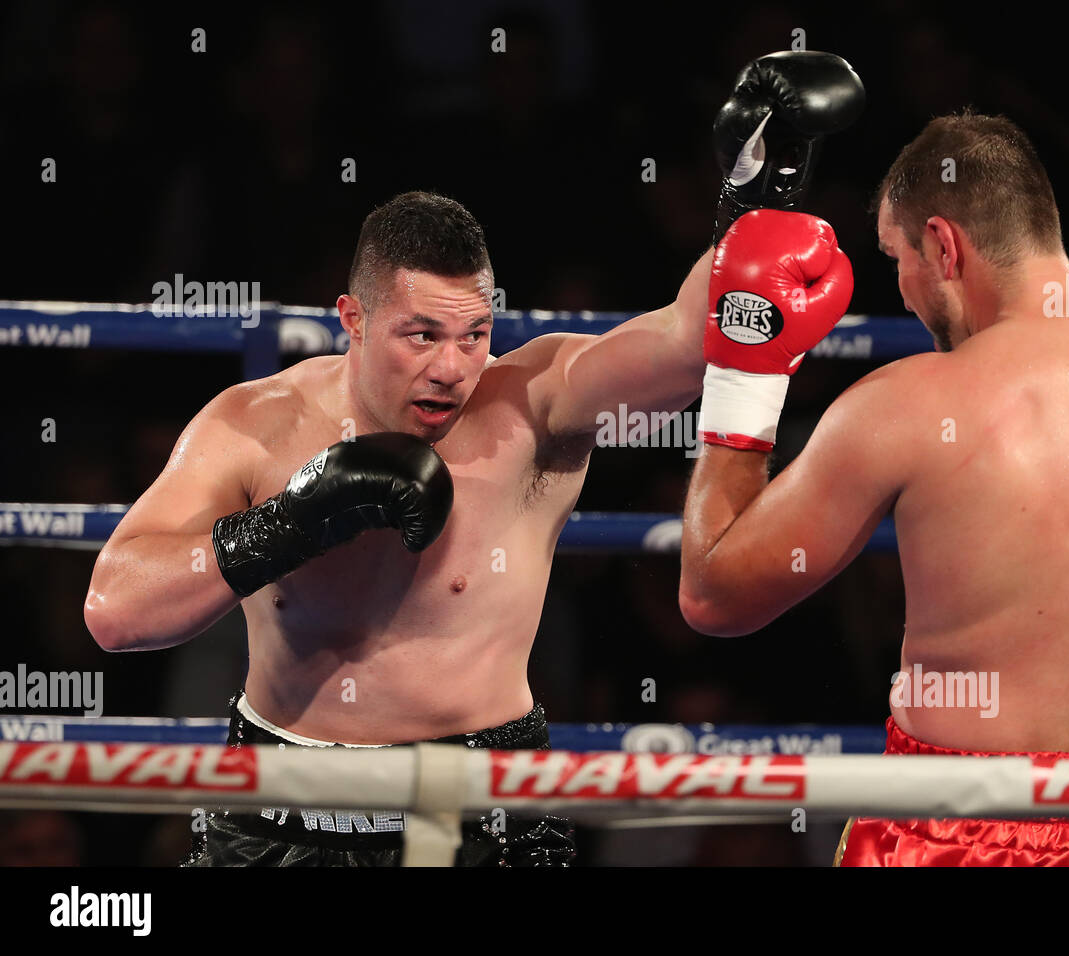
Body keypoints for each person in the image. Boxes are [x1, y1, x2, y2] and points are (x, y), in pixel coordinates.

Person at [83, 49, 864, 866]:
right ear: (351, 318)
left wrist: (755, 195)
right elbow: (114, 608)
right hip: (284, 805)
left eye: (473, 334)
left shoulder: (536, 401)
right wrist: (288, 525)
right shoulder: (258, 422)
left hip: (485, 810)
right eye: (420, 335)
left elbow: (686, 338)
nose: (452, 367)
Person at [678, 111, 1069, 866]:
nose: (900, 292)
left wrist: (745, 374)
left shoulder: (903, 402)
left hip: (961, 828)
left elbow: (715, 595)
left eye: (896, 258)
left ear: (942, 244)